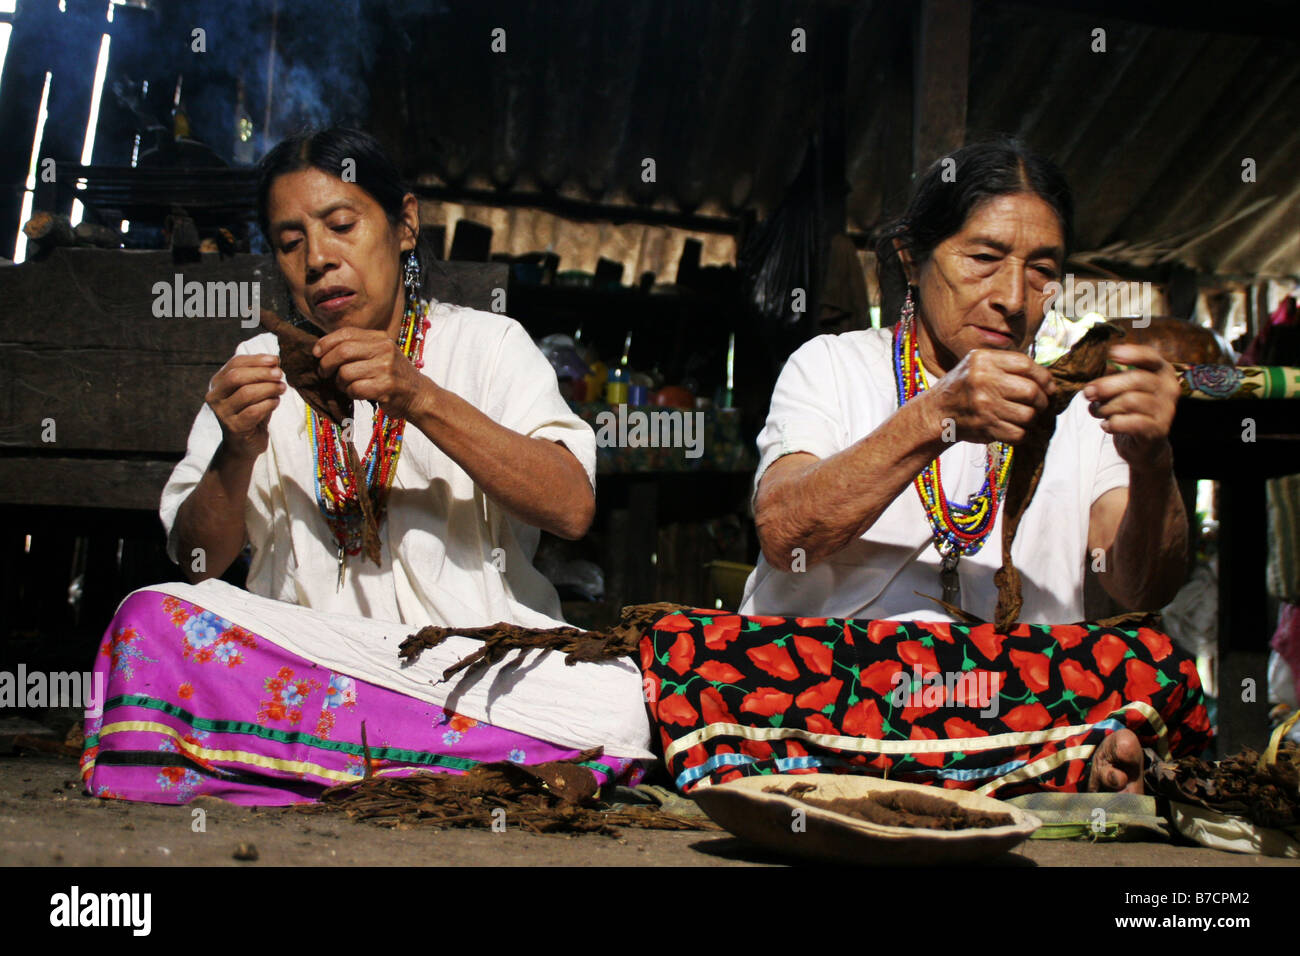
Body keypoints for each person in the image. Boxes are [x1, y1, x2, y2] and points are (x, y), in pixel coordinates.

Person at [82, 128, 652, 804]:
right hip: (313, 659)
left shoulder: (489, 344)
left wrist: (420, 395)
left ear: (405, 224)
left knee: (618, 700)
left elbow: (570, 506)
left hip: (469, 670)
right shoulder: (259, 369)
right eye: (290, 243)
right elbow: (199, 560)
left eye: (341, 225)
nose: (319, 259)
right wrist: (237, 451)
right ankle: (453, 766)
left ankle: (298, 761)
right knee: (149, 619)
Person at [639, 138, 1208, 796]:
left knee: (1152, 660)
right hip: (838, 685)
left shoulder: (1078, 407)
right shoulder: (832, 366)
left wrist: (1154, 464)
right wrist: (932, 417)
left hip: (1006, 695)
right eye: (984, 258)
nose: (1014, 298)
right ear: (911, 257)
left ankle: (995, 758)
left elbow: (1144, 587)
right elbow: (785, 531)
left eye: (1041, 269)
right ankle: (1045, 763)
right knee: (692, 649)